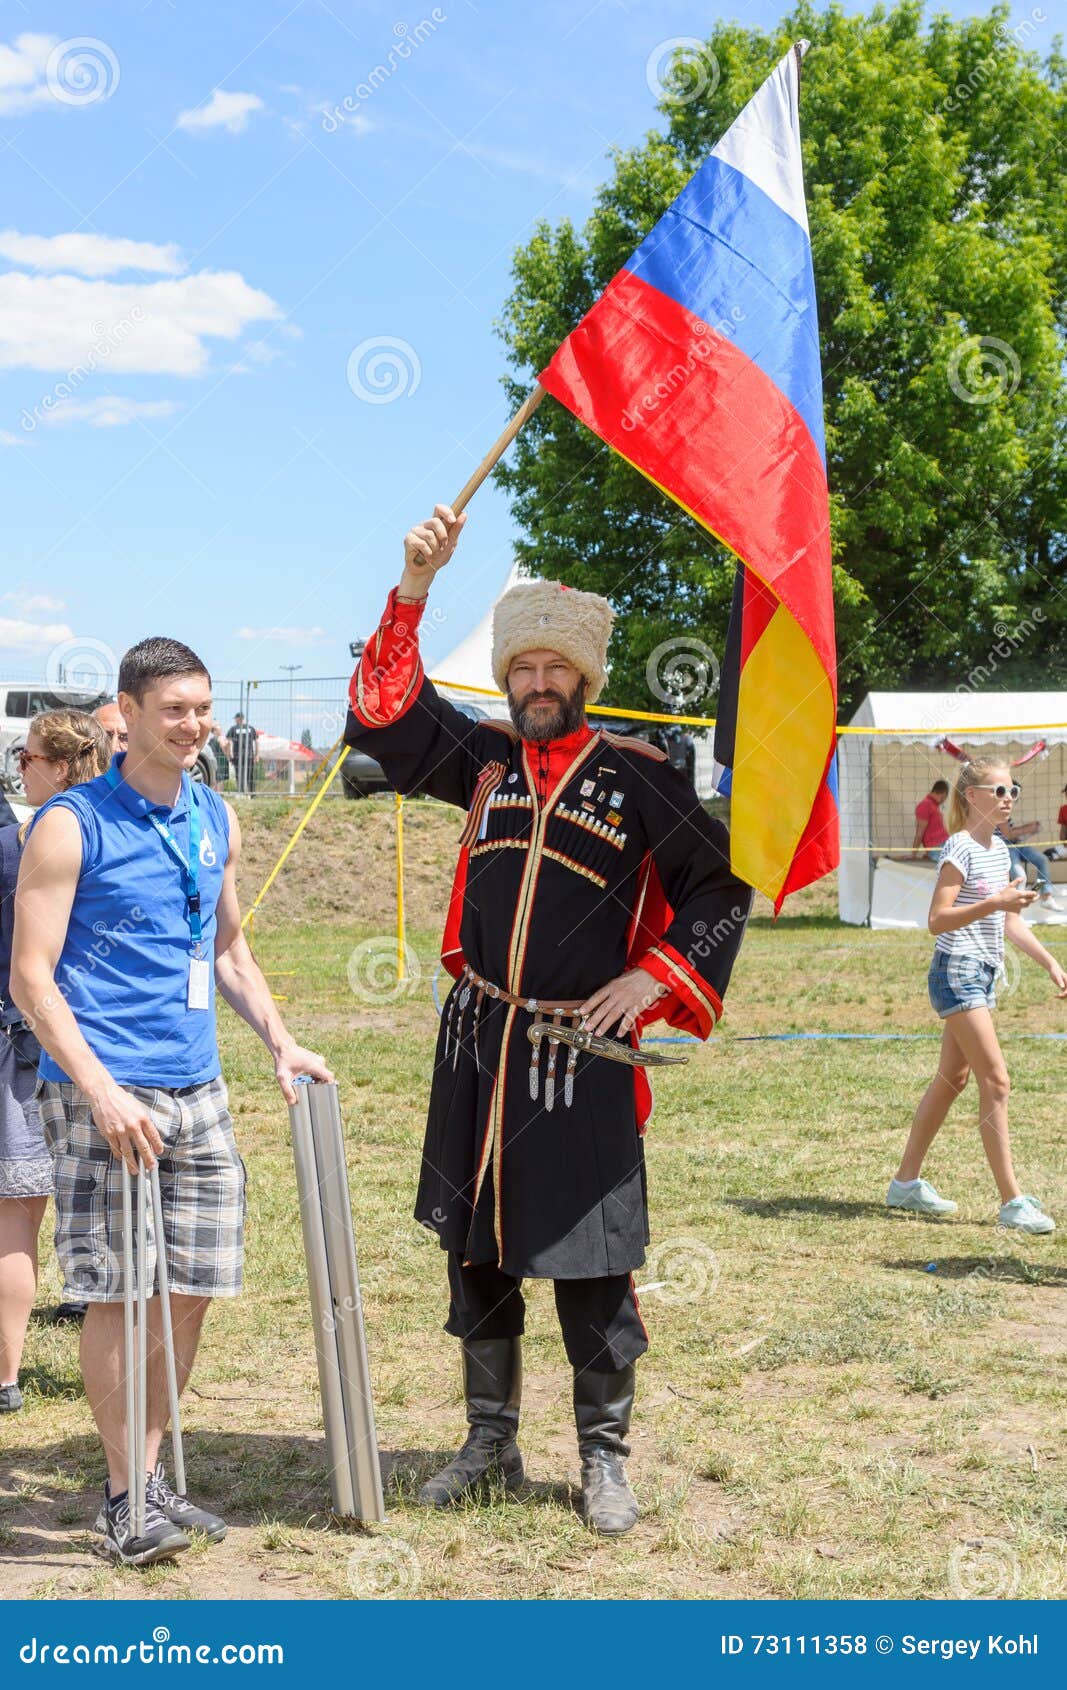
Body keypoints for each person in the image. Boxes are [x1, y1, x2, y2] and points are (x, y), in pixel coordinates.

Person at [344, 505, 751, 1536]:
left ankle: (603, 1458)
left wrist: (653, 978)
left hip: (582, 1055)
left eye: (551, 671)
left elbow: (719, 889)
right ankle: (488, 1439)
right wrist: (411, 585)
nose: (534, 685)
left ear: (581, 679)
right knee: (476, 1244)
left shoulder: (639, 778)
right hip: (482, 1044)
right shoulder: (478, 761)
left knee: (590, 1255)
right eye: (520, 668)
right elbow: (386, 716)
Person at [10, 637, 332, 1565]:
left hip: (201, 1091)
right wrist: (103, 1091)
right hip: (105, 1098)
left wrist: (281, 1042)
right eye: (174, 710)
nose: (194, 725)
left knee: (189, 1289)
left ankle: (149, 1475)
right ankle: (122, 1498)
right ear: (128, 713)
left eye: (202, 707)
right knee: (119, 1293)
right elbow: (33, 979)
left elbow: (228, 952)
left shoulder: (214, 817)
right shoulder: (71, 824)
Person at [886, 759, 1065, 1233]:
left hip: (982, 972)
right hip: (957, 971)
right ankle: (1012, 1203)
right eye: (1000, 789)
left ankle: (904, 1185)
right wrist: (995, 902)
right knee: (997, 1081)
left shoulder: (1000, 848)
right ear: (972, 796)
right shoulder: (960, 847)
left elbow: (1010, 923)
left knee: (953, 1079)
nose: (1009, 797)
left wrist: (1050, 963)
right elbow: (937, 920)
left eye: (1014, 789)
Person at [1, 711, 111, 1413]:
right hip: (90, 1044)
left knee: (17, 1217)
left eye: (28, 754)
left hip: (28, 1046)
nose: (19, 764)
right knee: (78, 1208)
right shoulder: (117, 833)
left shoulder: (32, 840)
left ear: (59, 766)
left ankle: (5, 1376)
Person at [996, 813, 1062, 910]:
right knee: (1020, 876)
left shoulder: (1006, 812)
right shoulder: (998, 811)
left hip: (1016, 845)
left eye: (1013, 796)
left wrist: (1029, 828)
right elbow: (1007, 835)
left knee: (1042, 860)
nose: (1009, 799)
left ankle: (1045, 896)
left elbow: (1011, 834)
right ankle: (1018, 909)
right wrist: (1029, 829)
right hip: (1006, 848)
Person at [912, 779, 949, 860]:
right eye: (944, 798)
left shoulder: (933, 805)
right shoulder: (926, 805)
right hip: (938, 847)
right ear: (943, 794)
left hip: (942, 845)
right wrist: (913, 855)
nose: (942, 801)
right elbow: (919, 833)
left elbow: (932, 830)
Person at [227, 713, 257, 796]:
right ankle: (252, 793)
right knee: (250, 775)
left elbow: (229, 742)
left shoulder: (233, 729)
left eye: (236, 719)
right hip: (249, 755)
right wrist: (257, 754)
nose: (235, 720)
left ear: (239, 718)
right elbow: (256, 742)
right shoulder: (250, 728)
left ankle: (241, 792)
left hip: (237, 756)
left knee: (239, 775)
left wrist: (230, 755)